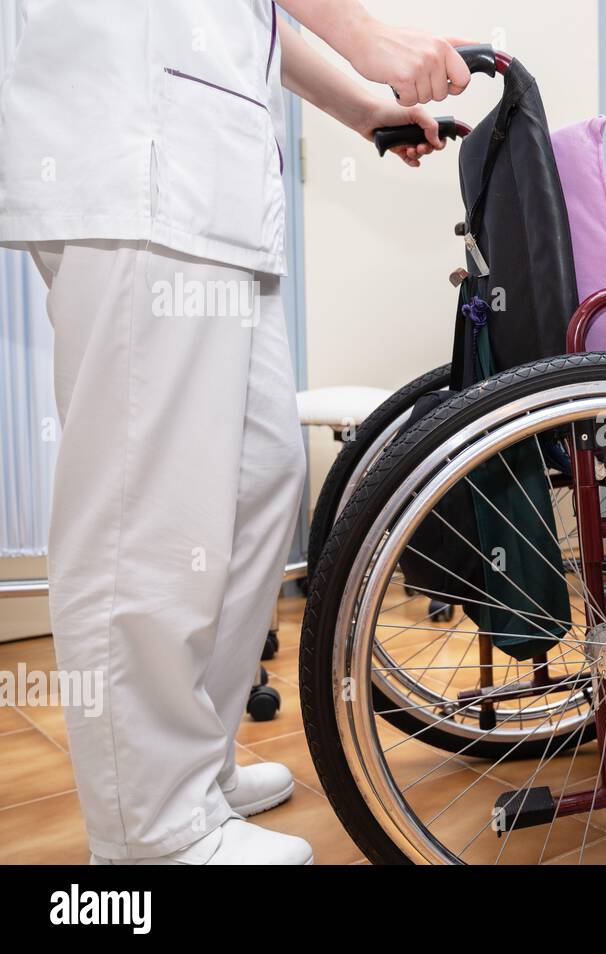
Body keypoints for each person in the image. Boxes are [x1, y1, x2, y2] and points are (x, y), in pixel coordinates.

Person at [0, 0, 467, 865]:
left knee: (255, 481)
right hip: (137, 157)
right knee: (147, 513)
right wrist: (366, 35)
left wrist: (363, 106)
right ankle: (148, 831)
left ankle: (191, 768)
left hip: (210, 178)